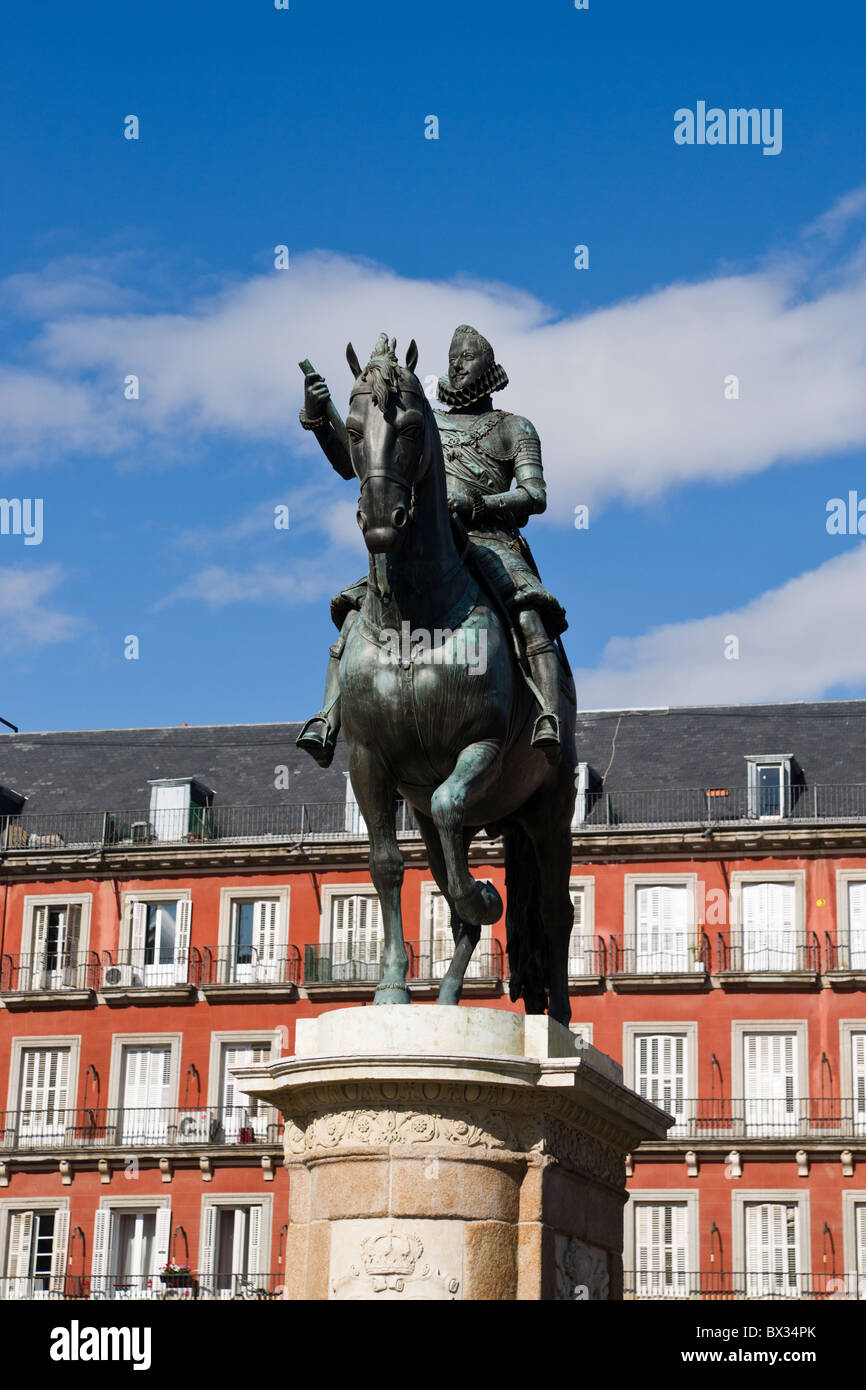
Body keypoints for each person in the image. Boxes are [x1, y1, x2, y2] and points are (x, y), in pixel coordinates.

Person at [296, 324, 567, 767]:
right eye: (453, 358)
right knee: (354, 609)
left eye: (467, 358)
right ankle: (327, 717)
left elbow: (534, 495)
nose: (457, 366)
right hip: (426, 543)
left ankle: (546, 714)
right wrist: (316, 419)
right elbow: (355, 462)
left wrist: (478, 503)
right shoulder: (427, 421)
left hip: (491, 540)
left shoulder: (515, 428)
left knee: (530, 611)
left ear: (488, 367)